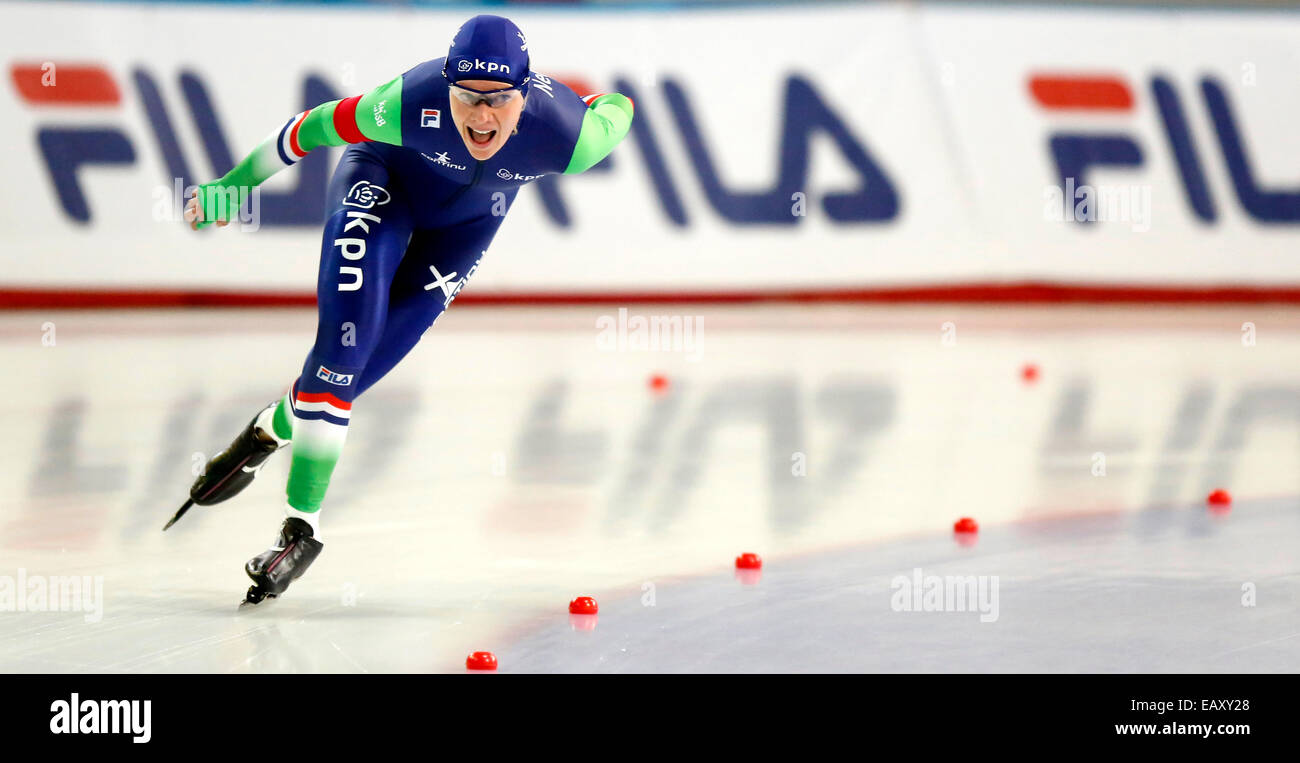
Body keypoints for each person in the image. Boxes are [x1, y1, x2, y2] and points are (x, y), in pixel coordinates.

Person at [173, 14, 634, 605]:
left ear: (525, 93)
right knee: (342, 351)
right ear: (447, 86)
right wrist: (233, 187)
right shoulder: (406, 103)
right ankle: (302, 530)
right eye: (467, 97)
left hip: (465, 230)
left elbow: (616, 105)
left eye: (499, 100)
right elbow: (309, 130)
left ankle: (266, 432)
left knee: (351, 378)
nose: (482, 117)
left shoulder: (573, 139)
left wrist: (593, 100)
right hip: (381, 185)